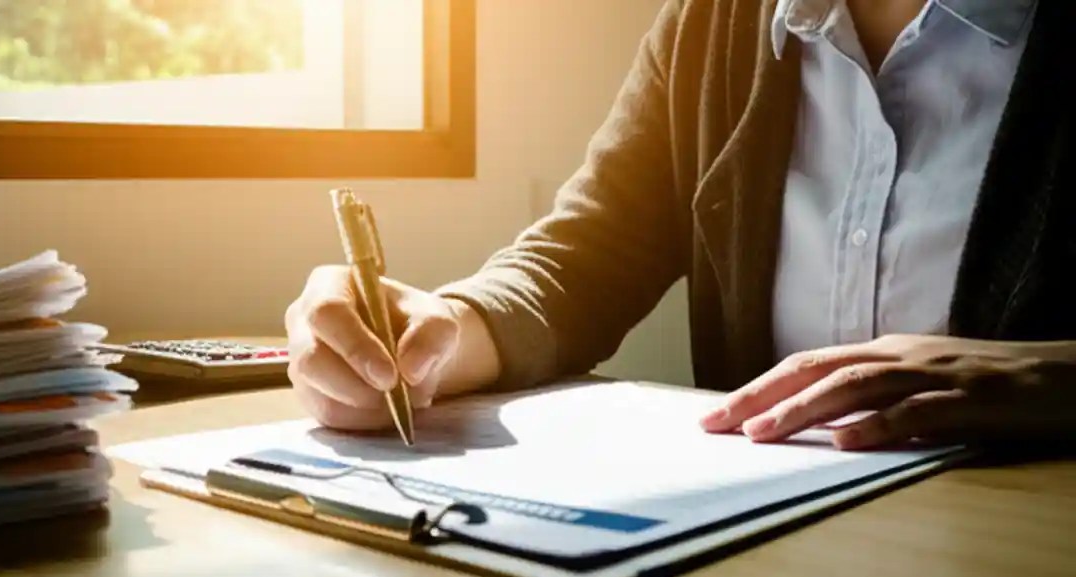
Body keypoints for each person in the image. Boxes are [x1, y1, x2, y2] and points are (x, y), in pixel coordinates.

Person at [285, 0, 1075, 450]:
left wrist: (1054, 377)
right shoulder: (712, 23)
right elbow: (585, 258)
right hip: (776, 561)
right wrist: (438, 333)